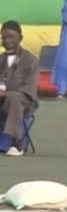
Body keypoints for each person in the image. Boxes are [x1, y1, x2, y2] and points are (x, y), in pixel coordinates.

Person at [0, 20, 39, 157]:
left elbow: (29, 89)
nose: (7, 41)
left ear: (20, 38)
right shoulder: (1, 59)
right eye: (4, 37)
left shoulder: (31, 60)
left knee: (14, 98)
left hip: (24, 102)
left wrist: (5, 94)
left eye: (11, 37)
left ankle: (16, 143)